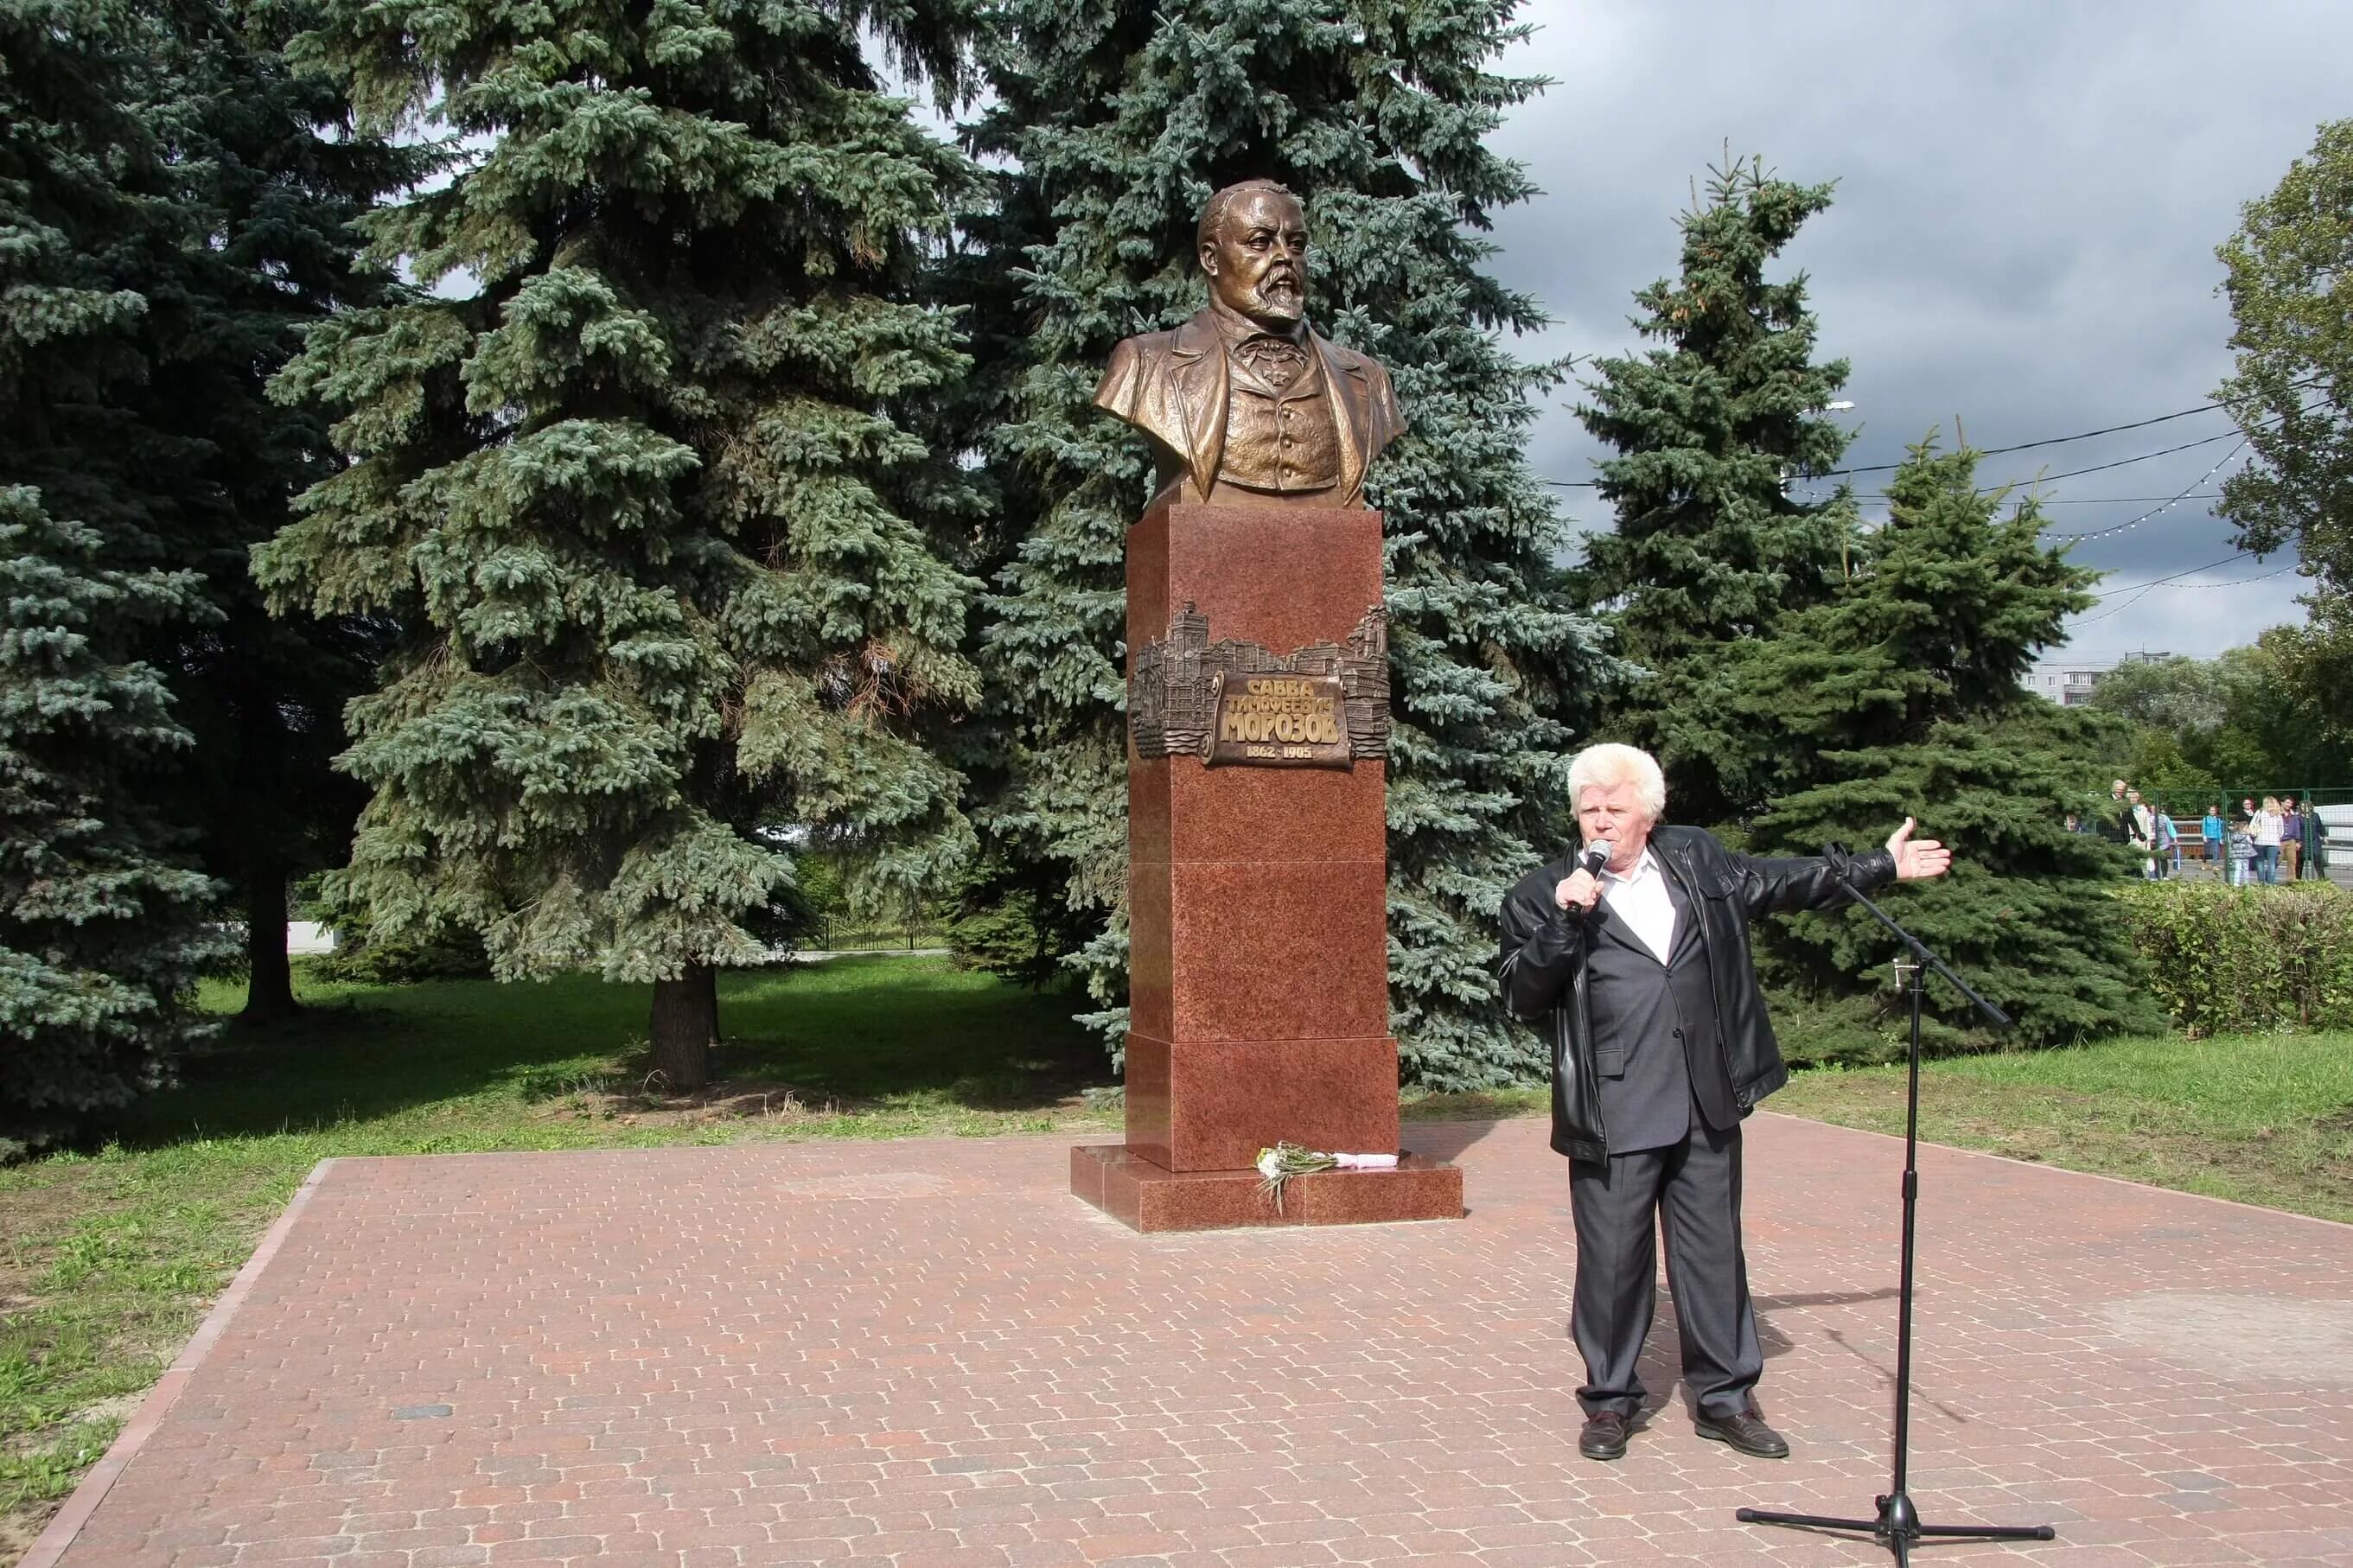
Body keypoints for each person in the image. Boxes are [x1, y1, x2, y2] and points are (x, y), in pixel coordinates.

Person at [1496, 743, 1951, 1463]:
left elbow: (1779, 882)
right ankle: (1611, 1403)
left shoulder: (1697, 859)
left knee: (1712, 1254)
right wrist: (1563, 922)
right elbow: (1522, 994)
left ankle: (1725, 1399)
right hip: (1614, 1104)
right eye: (1590, 810)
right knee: (1614, 1260)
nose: (1602, 822)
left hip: (1704, 1094)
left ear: (1649, 812)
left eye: (1617, 808)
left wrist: (1879, 866)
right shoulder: (1541, 892)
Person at [1094, 180, 1405, 509]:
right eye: (1260, 242)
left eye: (1296, 244)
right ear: (1211, 259)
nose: (1285, 256)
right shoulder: (1145, 364)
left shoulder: (1367, 380)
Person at [2254, 796, 2284, 884]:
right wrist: (2278, 837)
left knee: (2260, 861)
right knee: (2272, 863)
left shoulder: (2260, 812)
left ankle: (2261, 882)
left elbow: (2252, 824)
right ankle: (2270, 883)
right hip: (2274, 841)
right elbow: (2281, 830)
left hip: (2260, 840)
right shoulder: (2277, 814)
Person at [2203, 805, 2226, 880]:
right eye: (2211, 810)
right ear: (2209, 811)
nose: (2212, 812)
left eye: (2214, 810)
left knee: (2216, 851)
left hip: (2215, 837)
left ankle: (2214, 865)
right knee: (2207, 851)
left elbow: (2219, 829)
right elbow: (2204, 827)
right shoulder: (2205, 819)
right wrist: (2204, 835)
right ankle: (2204, 863)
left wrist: (2220, 838)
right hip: (2208, 836)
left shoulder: (2218, 819)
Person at [2283, 798, 2304, 881]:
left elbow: (2297, 828)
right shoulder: (2277, 814)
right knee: (2277, 860)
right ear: (2282, 803)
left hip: (2291, 840)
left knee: (2292, 861)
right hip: (2280, 840)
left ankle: (2291, 880)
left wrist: (2298, 841)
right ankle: (2268, 878)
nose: (2289, 805)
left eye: (2290, 803)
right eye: (2287, 802)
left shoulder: (2293, 815)